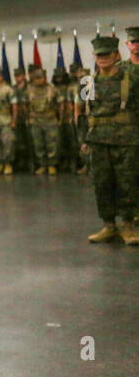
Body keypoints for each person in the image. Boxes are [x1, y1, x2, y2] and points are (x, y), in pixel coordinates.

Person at [82, 36, 139, 245]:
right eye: (99, 55)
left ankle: (128, 225)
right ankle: (108, 225)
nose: (103, 58)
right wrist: (83, 139)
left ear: (116, 55)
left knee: (127, 183)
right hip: (98, 141)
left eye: (107, 54)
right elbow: (82, 114)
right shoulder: (86, 82)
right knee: (102, 184)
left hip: (126, 140)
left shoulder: (131, 80)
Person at [23, 66, 60, 174]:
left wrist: (59, 118)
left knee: (52, 144)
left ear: (45, 77)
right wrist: (28, 117)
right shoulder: (29, 90)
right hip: (35, 121)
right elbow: (25, 105)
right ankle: (43, 164)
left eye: (40, 78)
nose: (38, 80)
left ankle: (52, 165)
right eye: (36, 78)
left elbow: (60, 105)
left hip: (50, 120)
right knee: (38, 144)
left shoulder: (52, 89)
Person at [53, 67, 78, 173]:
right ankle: (62, 162)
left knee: (72, 142)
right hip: (56, 120)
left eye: (61, 76)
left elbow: (73, 104)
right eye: (57, 76)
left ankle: (74, 162)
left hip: (69, 119)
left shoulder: (71, 87)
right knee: (59, 143)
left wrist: (73, 117)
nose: (59, 79)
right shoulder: (53, 89)